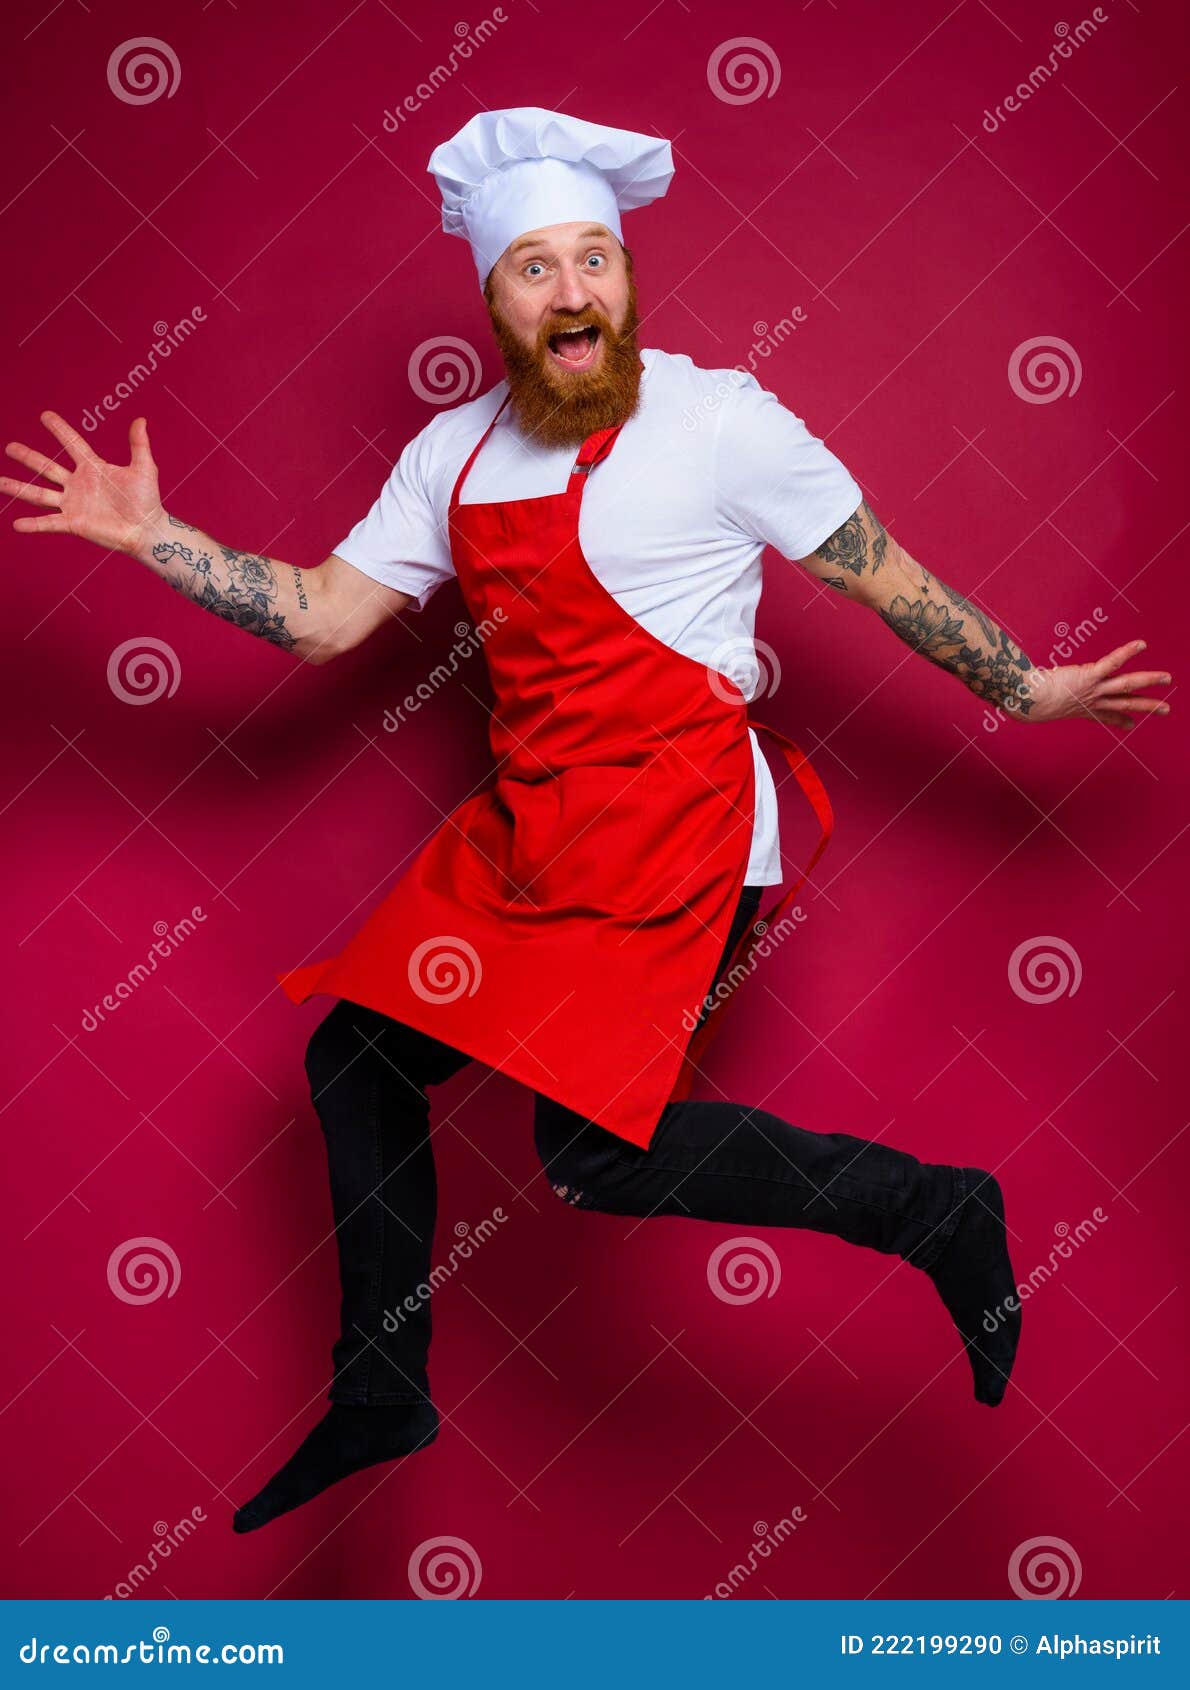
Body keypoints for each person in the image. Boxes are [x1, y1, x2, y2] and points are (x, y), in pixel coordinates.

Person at [3, 108, 1172, 1537]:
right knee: (353, 1056)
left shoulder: (721, 420)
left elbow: (879, 577)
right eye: (536, 270)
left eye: (595, 263)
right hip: (528, 830)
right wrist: (155, 541)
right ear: (493, 300)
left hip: (673, 821)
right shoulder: (452, 456)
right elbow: (320, 619)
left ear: (625, 281)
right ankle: (380, 1382)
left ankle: (937, 1209)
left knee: (591, 1156)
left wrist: (1025, 684)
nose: (573, 294)